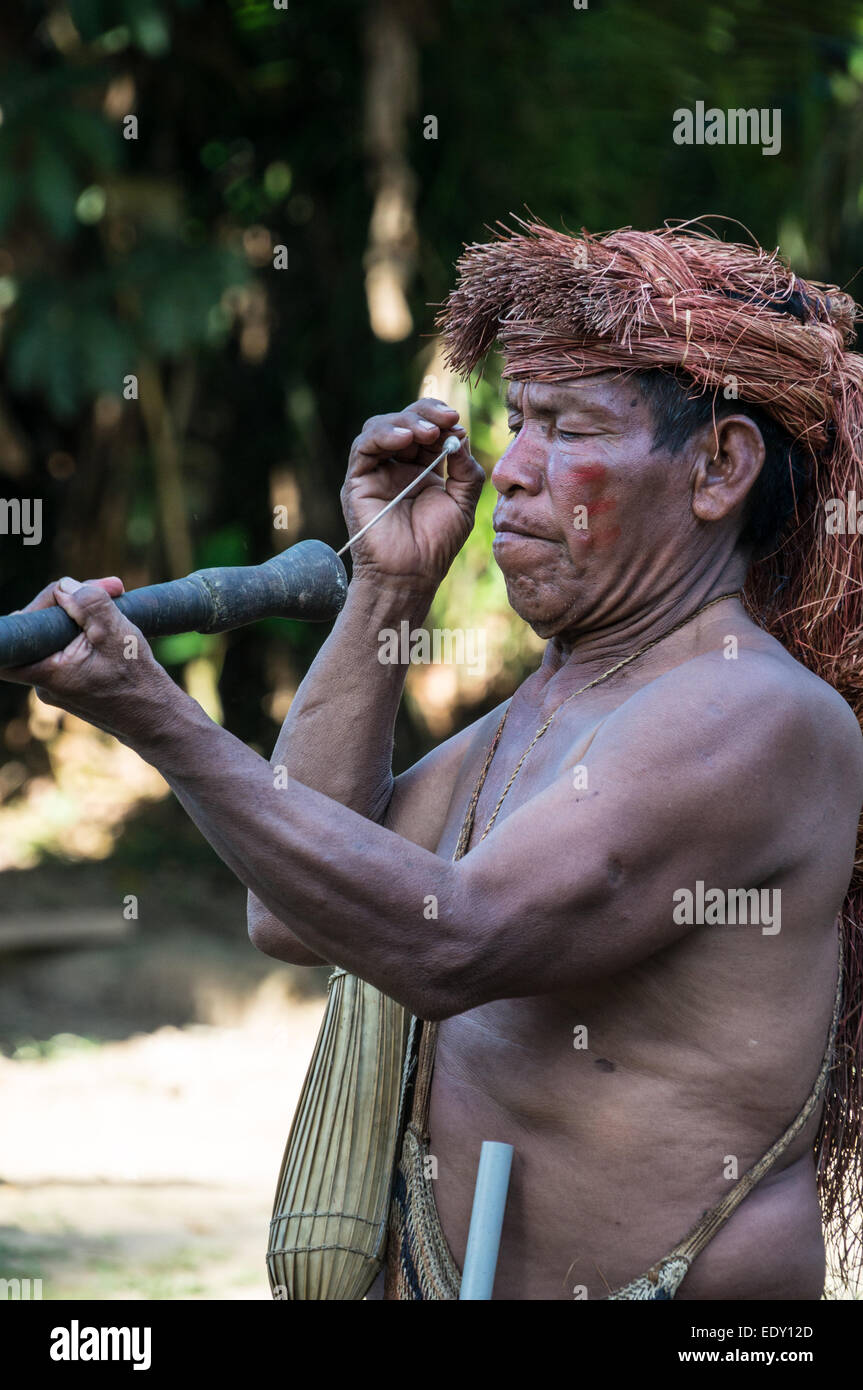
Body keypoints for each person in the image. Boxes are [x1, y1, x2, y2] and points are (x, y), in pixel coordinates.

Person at [3, 220, 862, 1299]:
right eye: (516, 423)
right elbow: (295, 911)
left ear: (718, 467)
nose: (511, 472)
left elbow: (450, 940)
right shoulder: (549, 707)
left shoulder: (753, 712)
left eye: (563, 428)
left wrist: (156, 715)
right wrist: (386, 590)